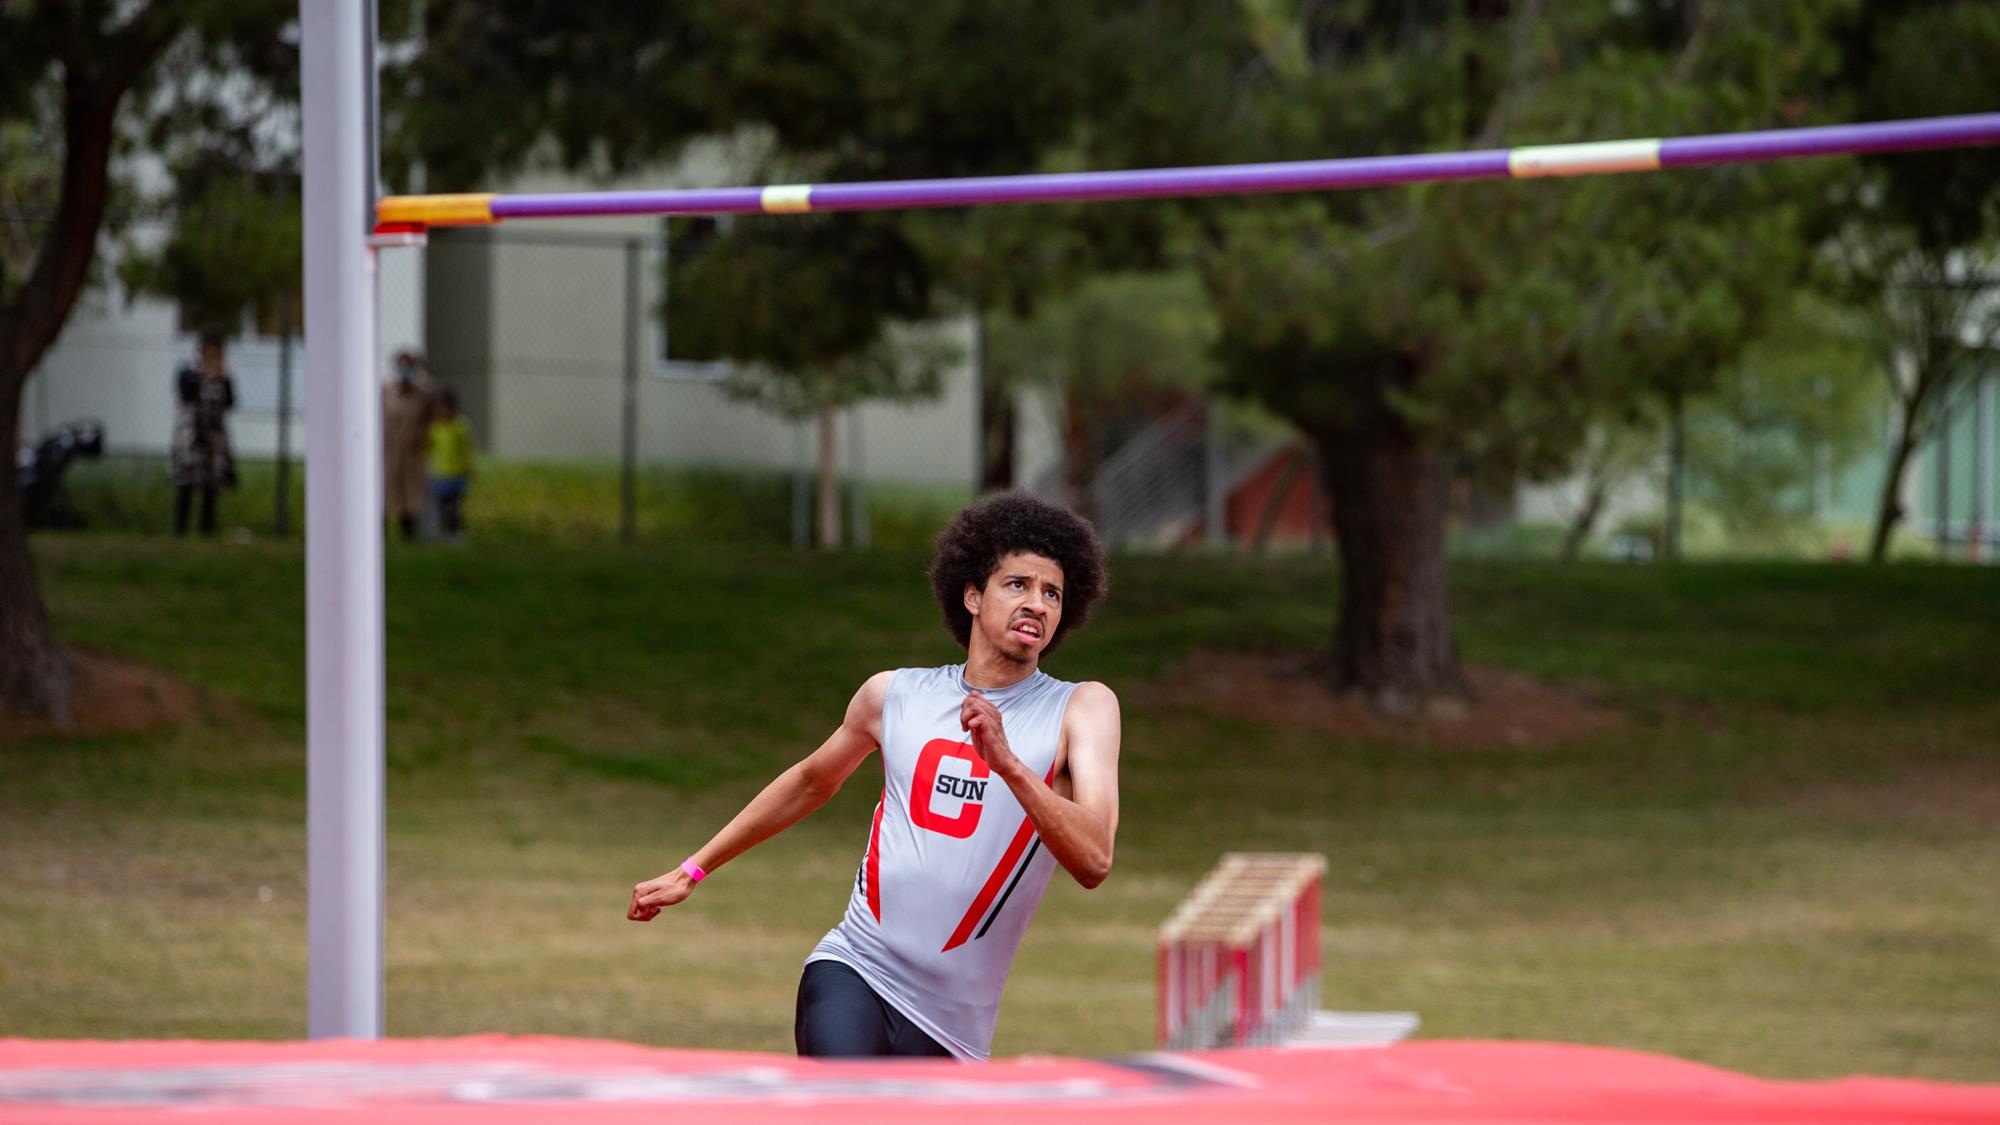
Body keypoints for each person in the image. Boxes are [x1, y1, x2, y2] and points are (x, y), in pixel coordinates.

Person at [627, 492, 1120, 1062]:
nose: (1036, 603)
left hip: (953, 1032)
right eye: (1018, 585)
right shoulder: (894, 695)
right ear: (972, 595)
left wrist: (1009, 765)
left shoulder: (1081, 709)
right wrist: (693, 869)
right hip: (856, 971)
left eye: (1052, 592)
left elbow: (1094, 860)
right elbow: (812, 781)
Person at [169, 333, 236, 537]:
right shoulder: (189, 371)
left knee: (211, 485)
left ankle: (206, 530)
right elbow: (185, 393)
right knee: (186, 482)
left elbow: (230, 403)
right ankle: (180, 530)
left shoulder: (224, 377)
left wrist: (222, 379)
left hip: (213, 438)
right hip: (191, 436)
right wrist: (205, 376)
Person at [381, 351, 434, 541]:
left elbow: (431, 420)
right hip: (388, 452)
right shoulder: (385, 391)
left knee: (410, 494)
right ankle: (379, 536)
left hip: (411, 453)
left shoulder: (423, 393)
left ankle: (409, 534)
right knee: (385, 491)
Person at [426, 387, 473, 542]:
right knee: (441, 506)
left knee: (454, 506)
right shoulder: (435, 428)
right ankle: (443, 532)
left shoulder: (460, 427)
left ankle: (456, 532)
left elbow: (466, 451)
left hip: (456, 474)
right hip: (440, 474)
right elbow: (429, 450)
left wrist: (468, 469)